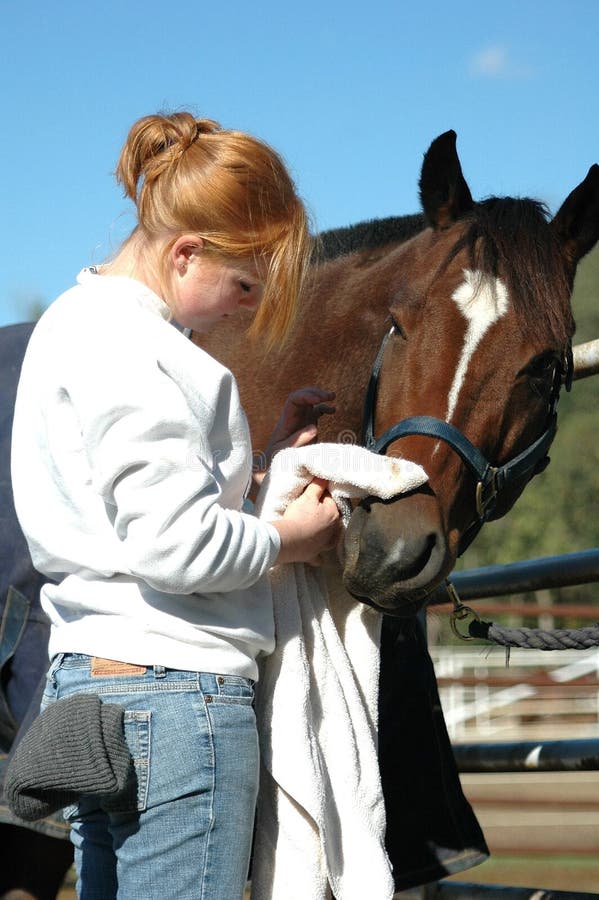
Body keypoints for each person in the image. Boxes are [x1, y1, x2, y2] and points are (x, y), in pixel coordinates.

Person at [11, 110, 341, 900]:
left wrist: (253, 474)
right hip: (177, 692)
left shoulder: (69, 322)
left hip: (93, 686)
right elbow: (175, 548)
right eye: (242, 286)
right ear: (187, 252)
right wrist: (289, 538)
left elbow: (130, 513)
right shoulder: (149, 352)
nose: (241, 310)